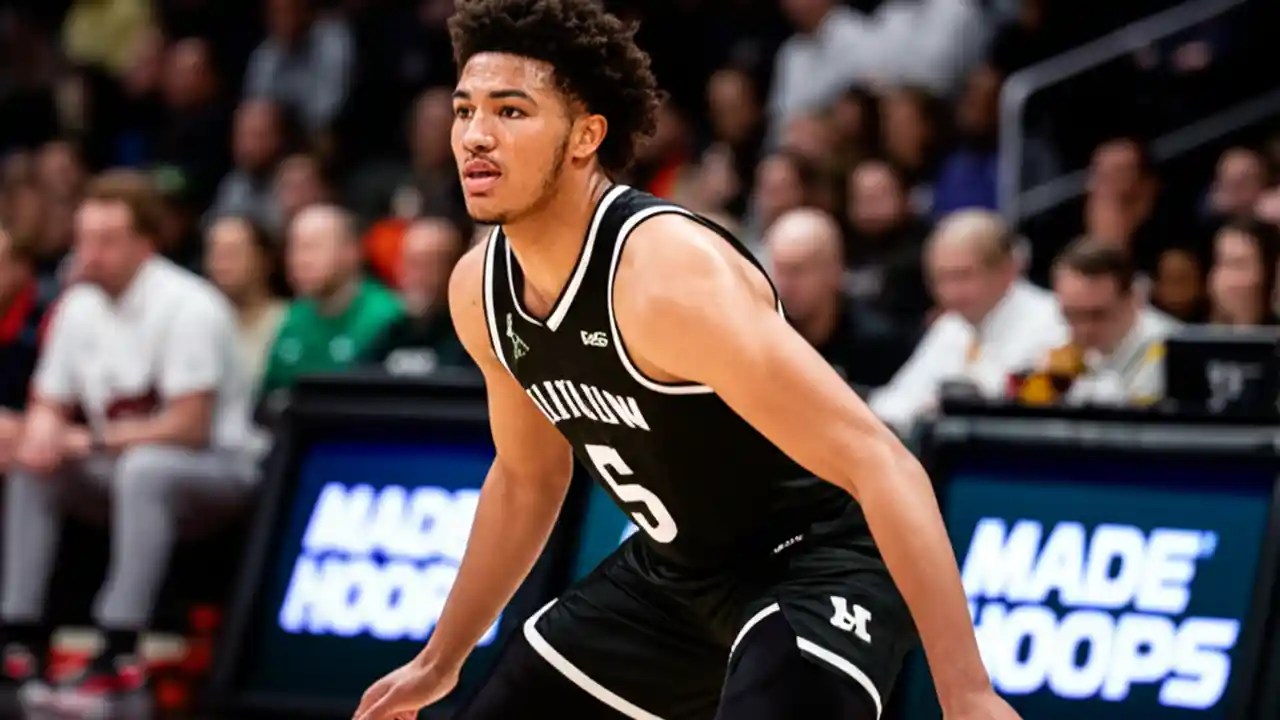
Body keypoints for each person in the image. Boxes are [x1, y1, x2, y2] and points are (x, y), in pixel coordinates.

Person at [355, 2, 1019, 720]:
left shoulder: (666, 276)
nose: (476, 137)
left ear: (585, 136)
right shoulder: (479, 289)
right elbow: (526, 477)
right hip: (673, 575)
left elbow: (881, 462)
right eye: (464, 111)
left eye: (511, 112)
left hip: (817, 560)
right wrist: (439, 659)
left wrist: (967, 693)